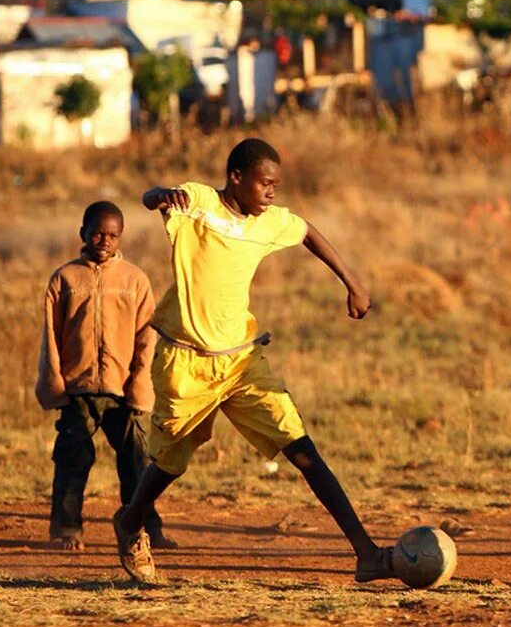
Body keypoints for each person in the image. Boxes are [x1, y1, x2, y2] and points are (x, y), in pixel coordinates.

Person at [111, 138, 393, 585]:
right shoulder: (199, 202)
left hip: (242, 361)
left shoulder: (269, 222)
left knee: (301, 448)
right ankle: (130, 522)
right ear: (236, 178)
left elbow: (308, 233)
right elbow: (152, 197)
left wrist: (352, 281)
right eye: (264, 183)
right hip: (186, 362)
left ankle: (367, 553)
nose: (271, 193)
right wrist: (162, 195)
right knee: (167, 462)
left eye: (276, 186)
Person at [36, 201, 173, 552]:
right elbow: (50, 334)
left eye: (112, 235)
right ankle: (66, 530)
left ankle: (146, 530)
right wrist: (55, 383)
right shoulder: (64, 278)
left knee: (137, 462)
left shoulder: (135, 279)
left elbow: (147, 337)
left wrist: (140, 385)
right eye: (97, 232)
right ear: (82, 232)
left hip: (122, 388)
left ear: (121, 237)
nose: (104, 240)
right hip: (77, 387)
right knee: (72, 456)